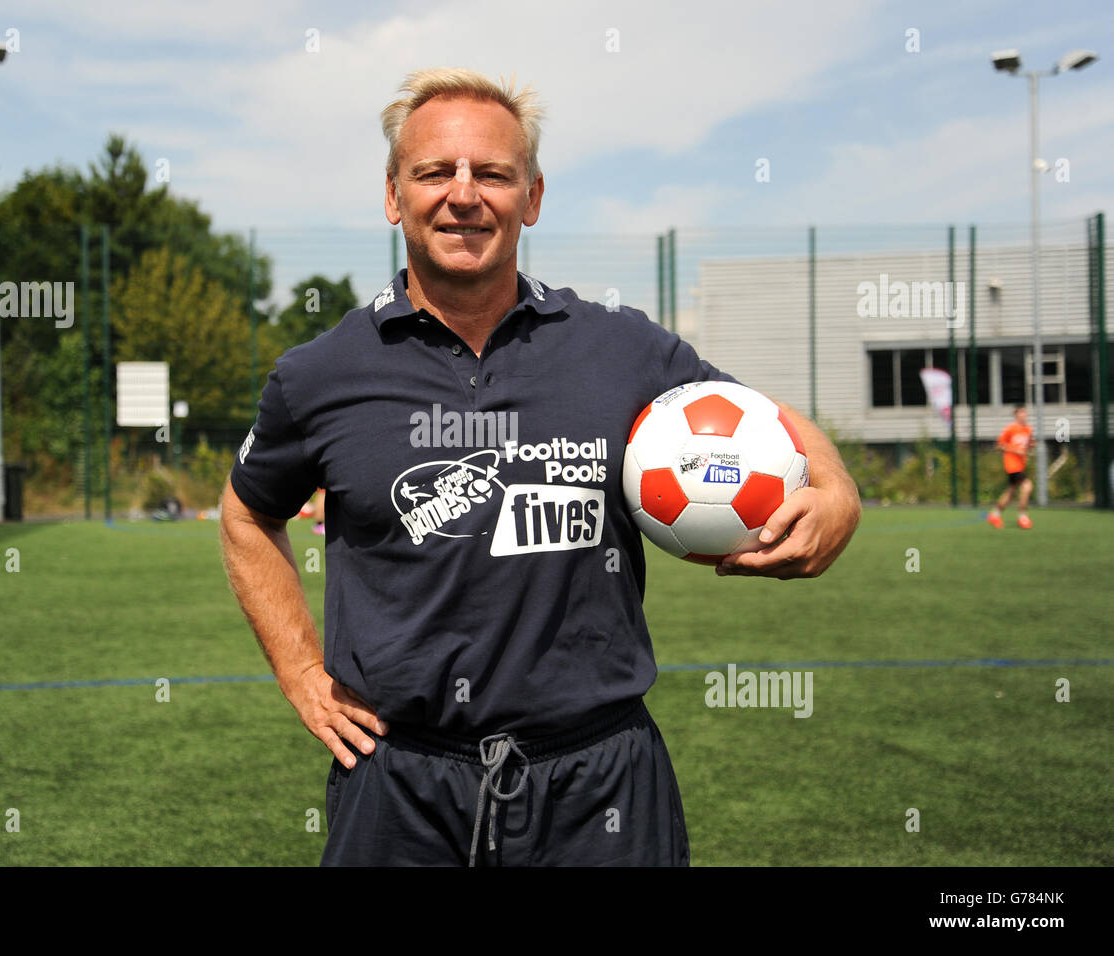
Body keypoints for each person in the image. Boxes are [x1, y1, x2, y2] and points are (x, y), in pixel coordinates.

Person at [219, 68, 862, 866]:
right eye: (434, 172)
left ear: (532, 196)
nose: (464, 194)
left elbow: (776, 425)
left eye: (492, 173)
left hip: (603, 781)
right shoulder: (320, 375)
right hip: (399, 781)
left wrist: (837, 491)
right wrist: (300, 670)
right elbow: (247, 512)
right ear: (393, 195)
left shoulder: (621, 349)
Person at [988, 406, 1034, 529]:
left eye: (1025, 413)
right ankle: (1023, 516)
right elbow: (999, 445)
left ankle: (995, 515)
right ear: (1016, 416)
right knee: (1027, 486)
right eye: (1021, 414)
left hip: (1021, 465)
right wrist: (1015, 450)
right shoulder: (1011, 429)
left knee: (1010, 492)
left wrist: (1030, 448)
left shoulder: (1028, 430)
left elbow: (1029, 445)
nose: (1024, 416)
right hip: (1012, 465)